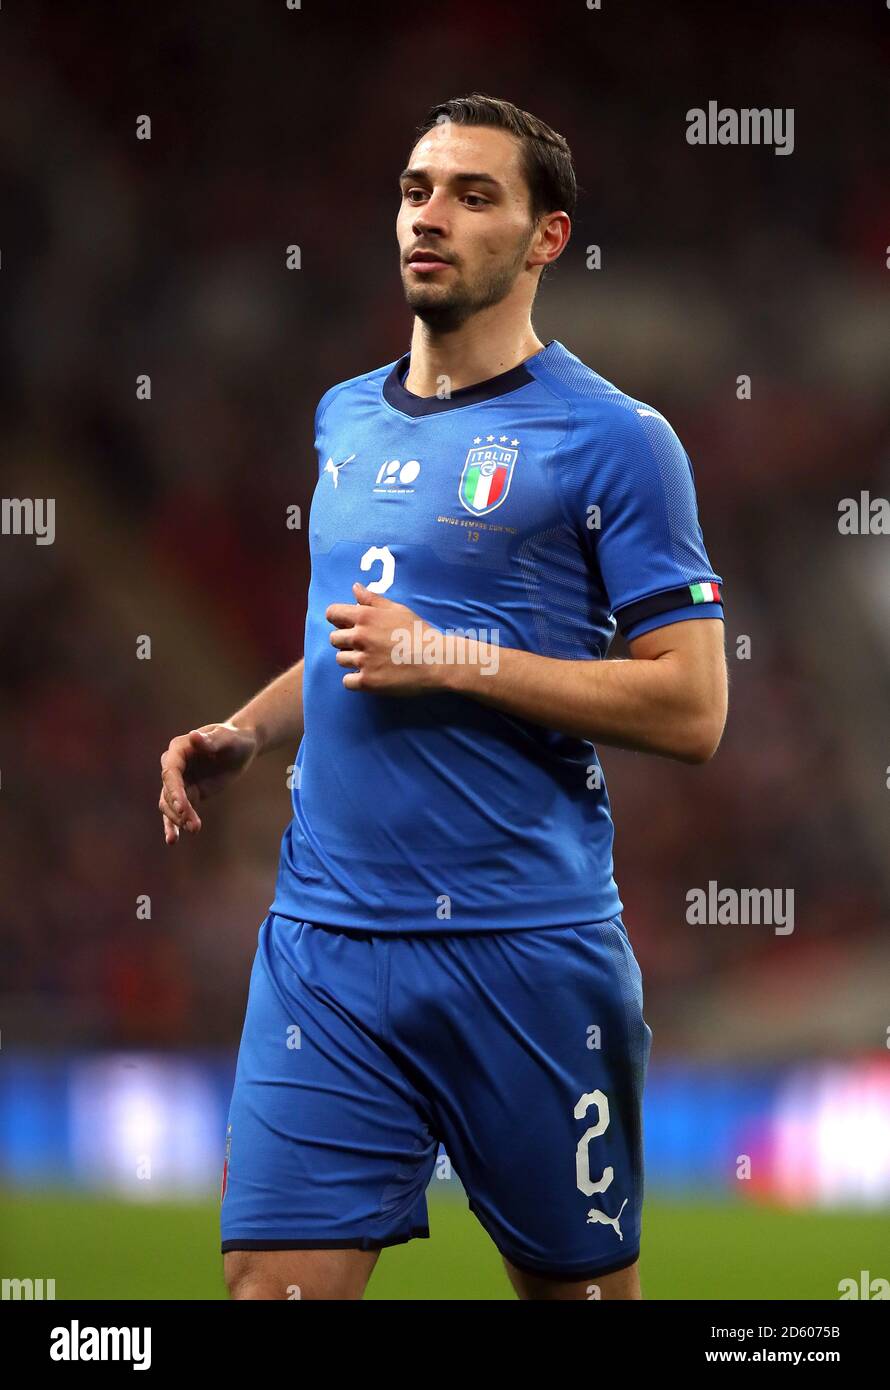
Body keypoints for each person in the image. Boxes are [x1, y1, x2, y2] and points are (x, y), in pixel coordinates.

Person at [159, 93, 727, 1300]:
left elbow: (691, 708)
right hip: (325, 945)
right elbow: (356, 637)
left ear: (544, 238)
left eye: (473, 195)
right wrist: (249, 729)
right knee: (267, 1286)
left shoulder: (616, 439)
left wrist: (451, 657)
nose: (430, 216)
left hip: (523, 951)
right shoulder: (345, 415)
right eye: (416, 190)